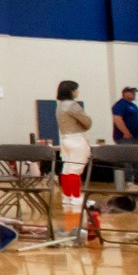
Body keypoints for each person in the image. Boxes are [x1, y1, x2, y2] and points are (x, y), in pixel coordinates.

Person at [55, 80, 92, 212]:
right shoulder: (72, 105)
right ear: (71, 91)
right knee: (75, 170)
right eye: (76, 89)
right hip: (76, 139)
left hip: (65, 139)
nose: (78, 92)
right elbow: (87, 122)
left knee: (67, 168)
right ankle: (77, 197)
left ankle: (67, 196)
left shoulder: (59, 105)